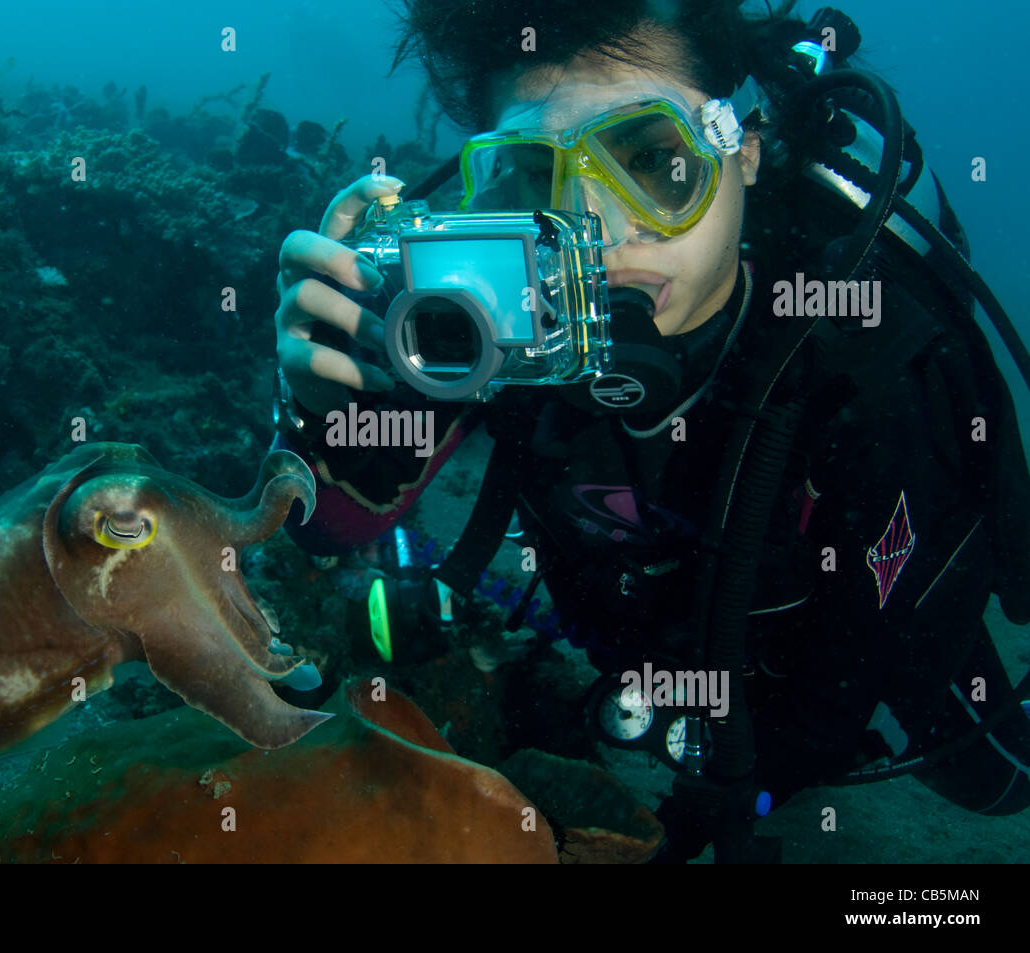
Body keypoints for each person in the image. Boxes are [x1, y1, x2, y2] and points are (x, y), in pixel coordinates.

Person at [270, 0, 1030, 861]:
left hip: (828, 659)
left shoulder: (858, 352)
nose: (599, 230)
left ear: (738, 151)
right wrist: (330, 409)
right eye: (531, 174)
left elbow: (845, 689)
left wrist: (732, 777)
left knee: (997, 780)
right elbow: (330, 523)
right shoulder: (501, 314)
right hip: (636, 644)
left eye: (652, 160)